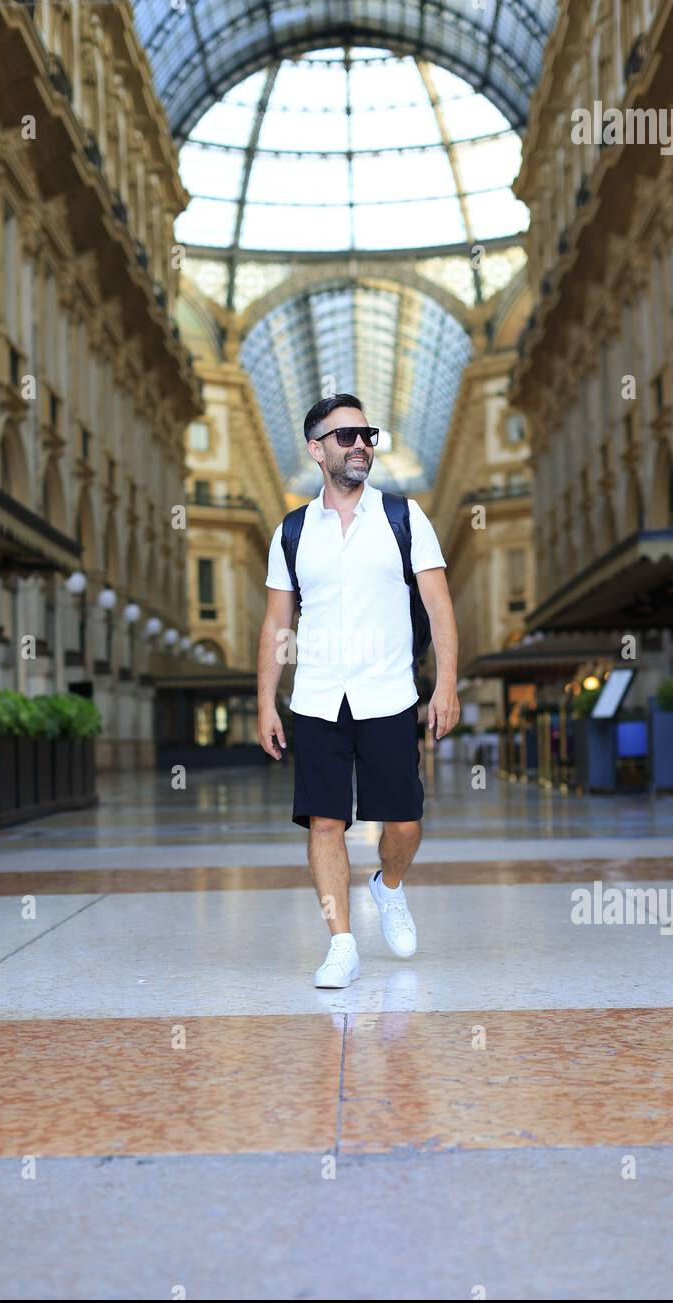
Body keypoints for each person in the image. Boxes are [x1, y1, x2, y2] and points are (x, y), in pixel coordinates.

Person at [257, 393, 460, 988]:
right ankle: (341, 942)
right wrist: (266, 700)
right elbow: (277, 624)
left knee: (403, 822)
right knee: (325, 823)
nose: (361, 445)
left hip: (390, 694)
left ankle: (388, 885)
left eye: (367, 435)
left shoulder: (404, 517)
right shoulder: (292, 531)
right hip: (318, 698)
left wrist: (445, 684)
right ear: (317, 450)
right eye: (345, 437)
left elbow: (439, 608)